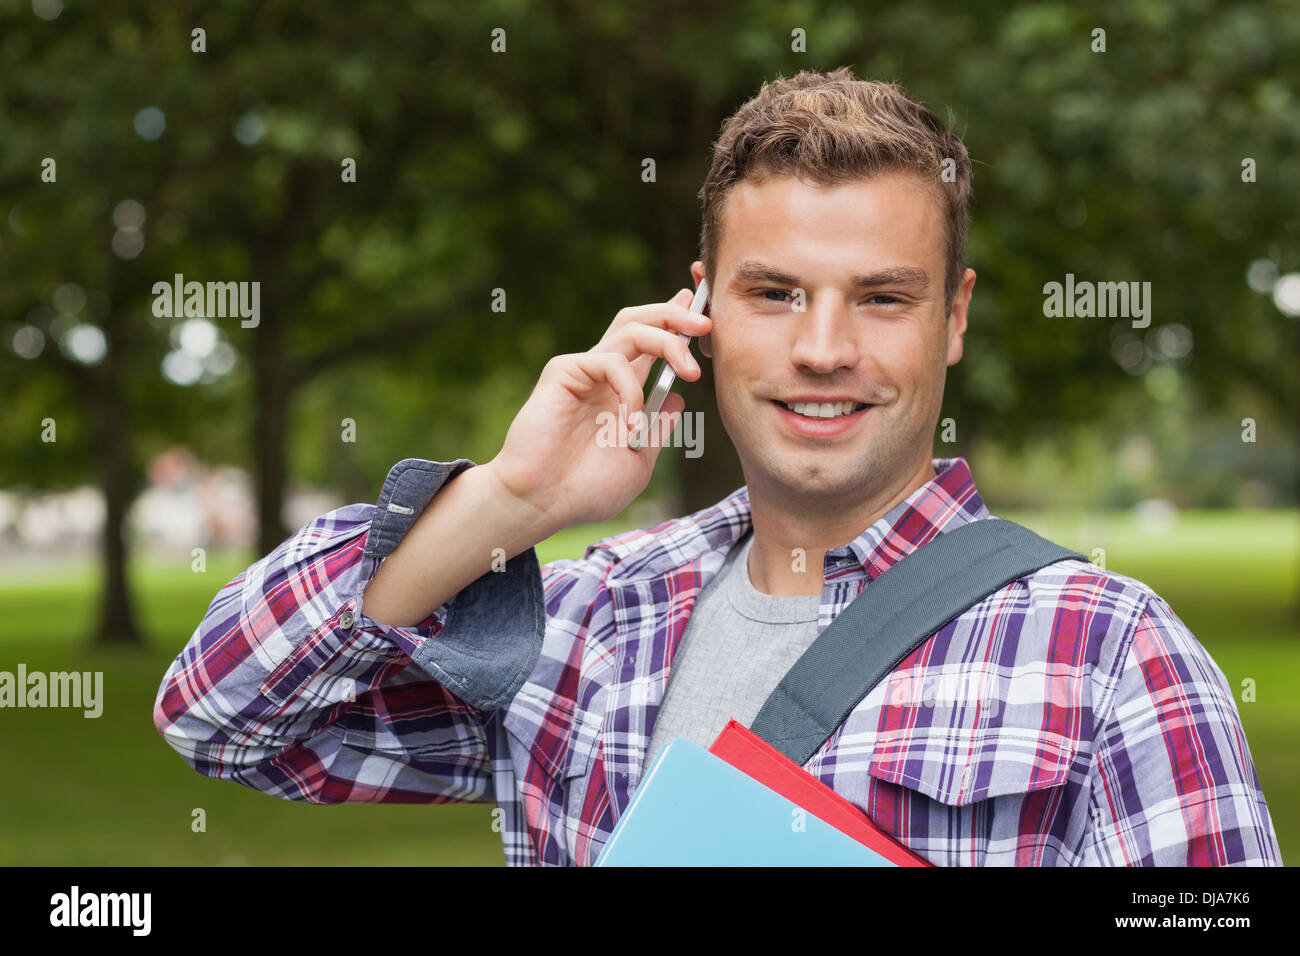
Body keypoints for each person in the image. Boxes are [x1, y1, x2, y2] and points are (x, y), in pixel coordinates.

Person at [153, 67, 1283, 867]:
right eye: (775, 292)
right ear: (700, 308)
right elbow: (225, 716)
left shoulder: (1111, 653)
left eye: (881, 296)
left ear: (954, 315)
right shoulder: (586, 618)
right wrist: (510, 500)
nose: (823, 348)